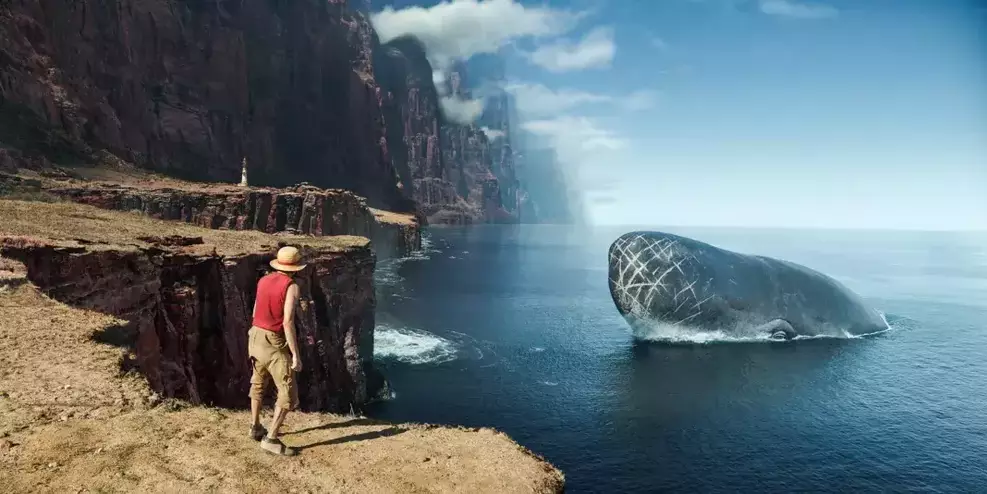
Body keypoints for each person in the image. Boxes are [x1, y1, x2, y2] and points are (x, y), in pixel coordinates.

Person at [248, 245, 306, 456]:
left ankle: (255, 427)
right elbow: (287, 322)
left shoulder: (263, 280)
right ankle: (270, 439)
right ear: (296, 268)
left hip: (255, 334)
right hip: (274, 340)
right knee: (288, 392)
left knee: (258, 382)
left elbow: (255, 310)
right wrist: (295, 355)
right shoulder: (291, 286)